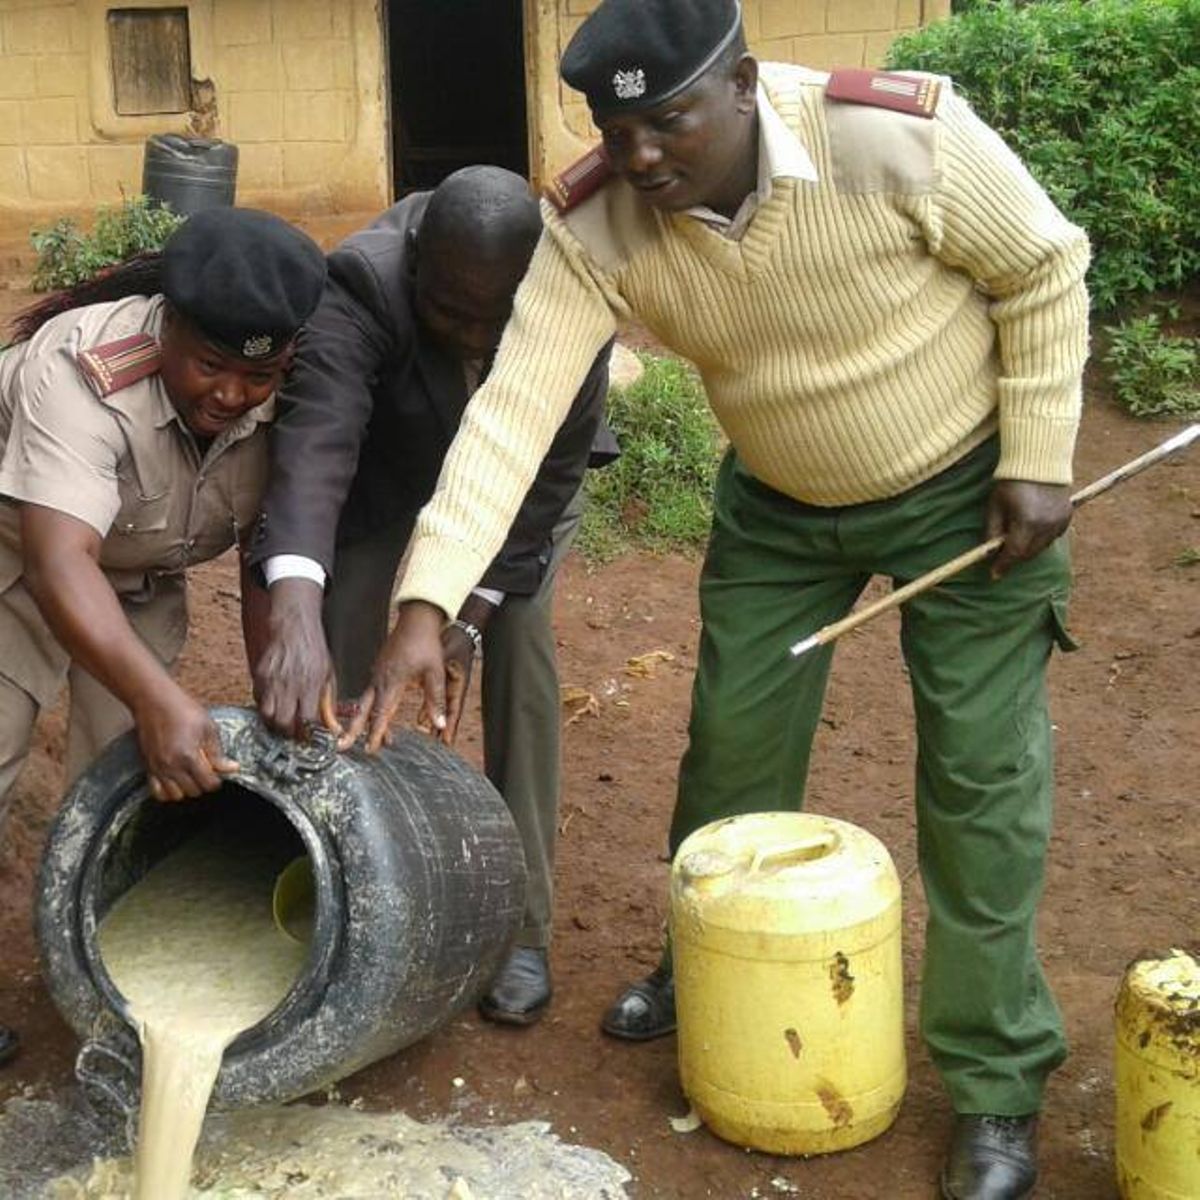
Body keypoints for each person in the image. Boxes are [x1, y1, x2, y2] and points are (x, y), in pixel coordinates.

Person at [338, 1, 1091, 1195]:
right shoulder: (597, 225)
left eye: (668, 119)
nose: (642, 158)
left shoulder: (887, 138)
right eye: (616, 128)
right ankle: (711, 965)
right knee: (731, 751)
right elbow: (514, 415)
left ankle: (995, 1084)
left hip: (970, 496)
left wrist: (1039, 456)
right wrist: (425, 608)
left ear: (743, 83)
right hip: (781, 510)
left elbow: (1043, 262)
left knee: (978, 787)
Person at [246, 166, 616, 1026]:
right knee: (332, 676)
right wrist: (292, 609)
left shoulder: (573, 297)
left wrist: (467, 615)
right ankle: (337, 901)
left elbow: (547, 483)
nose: (476, 339)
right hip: (390, 473)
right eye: (452, 314)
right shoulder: (361, 281)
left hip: (516, 502)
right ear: (417, 268)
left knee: (519, 654)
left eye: (497, 320)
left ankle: (520, 929)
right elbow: (317, 445)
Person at [0, 207, 327, 1068]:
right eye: (210, 366)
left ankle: (105, 974)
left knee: (126, 779)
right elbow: (57, 561)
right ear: (167, 323)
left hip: (136, 572)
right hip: (19, 556)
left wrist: (274, 688)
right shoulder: (80, 369)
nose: (230, 396)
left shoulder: (294, 385)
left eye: (256, 378)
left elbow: (269, 546)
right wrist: (159, 694)